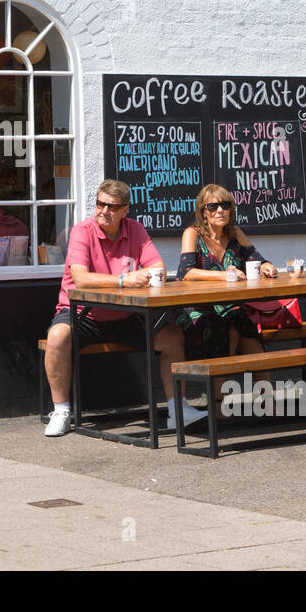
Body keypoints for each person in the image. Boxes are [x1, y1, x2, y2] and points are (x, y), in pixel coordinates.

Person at [42, 179, 205, 436]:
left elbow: (158, 269)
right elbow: (82, 278)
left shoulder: (135, 229)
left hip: (126, 314)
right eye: (100, 204)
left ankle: (178, 411)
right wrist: (123, 280)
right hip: (84, 314)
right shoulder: (81, 231)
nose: (104, 211)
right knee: (57, 337)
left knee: (172, 336)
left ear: (125, 210)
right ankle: (61, 410)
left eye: (112, 206)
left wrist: (139, 278)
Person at [173, 184, 278, 404]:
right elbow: (186, 273)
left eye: (225, 205)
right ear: (203, 211)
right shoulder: (192, 234)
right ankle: (218, 406)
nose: (220, 210)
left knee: (249, 334)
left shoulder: (235, 234)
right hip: (199, 310)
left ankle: (267, 401)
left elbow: (256, 258)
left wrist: (268, 266)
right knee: (226, 330)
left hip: (230, 308)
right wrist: (224, 275)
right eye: (213, 206)